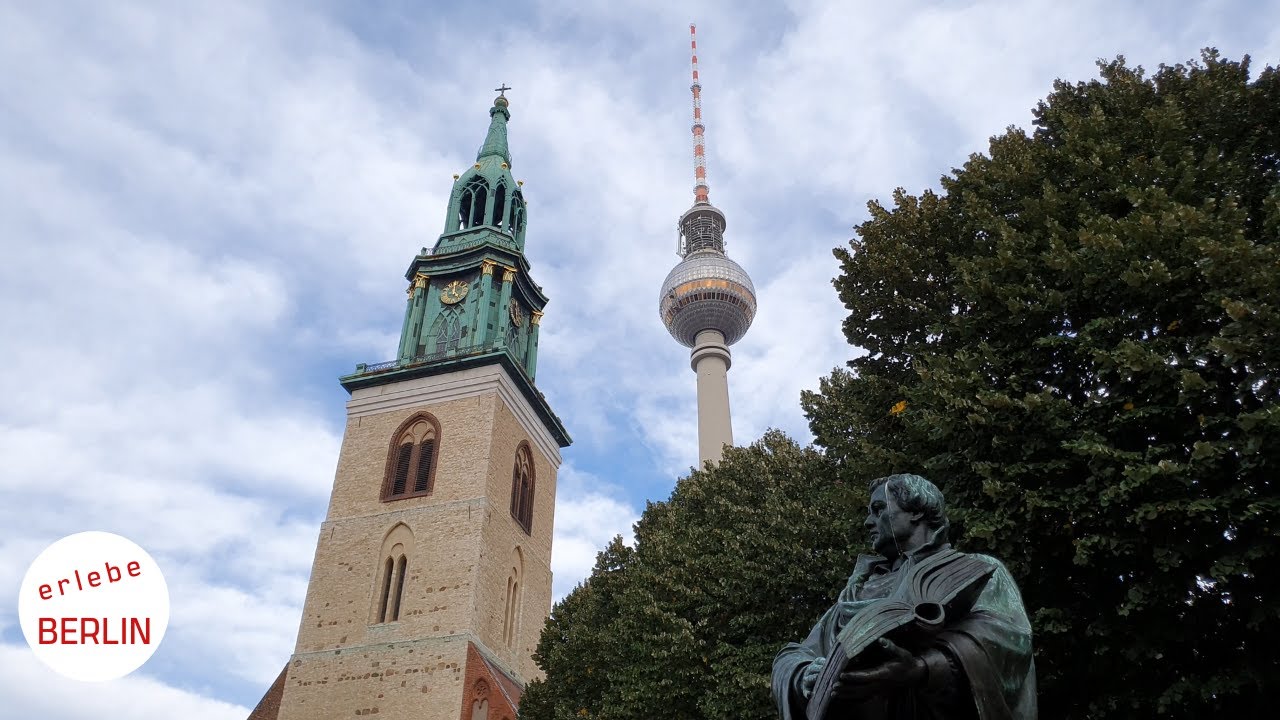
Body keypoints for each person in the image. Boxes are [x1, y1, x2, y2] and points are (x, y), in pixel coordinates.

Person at [771, 474, 1037, 719]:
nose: (867, 522)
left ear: (917, 511)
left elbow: (1008, 640)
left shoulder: (974, 569)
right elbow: (795, 653)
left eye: (879, 509)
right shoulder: (857, 590)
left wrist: (924, 668)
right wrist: (803, 675)